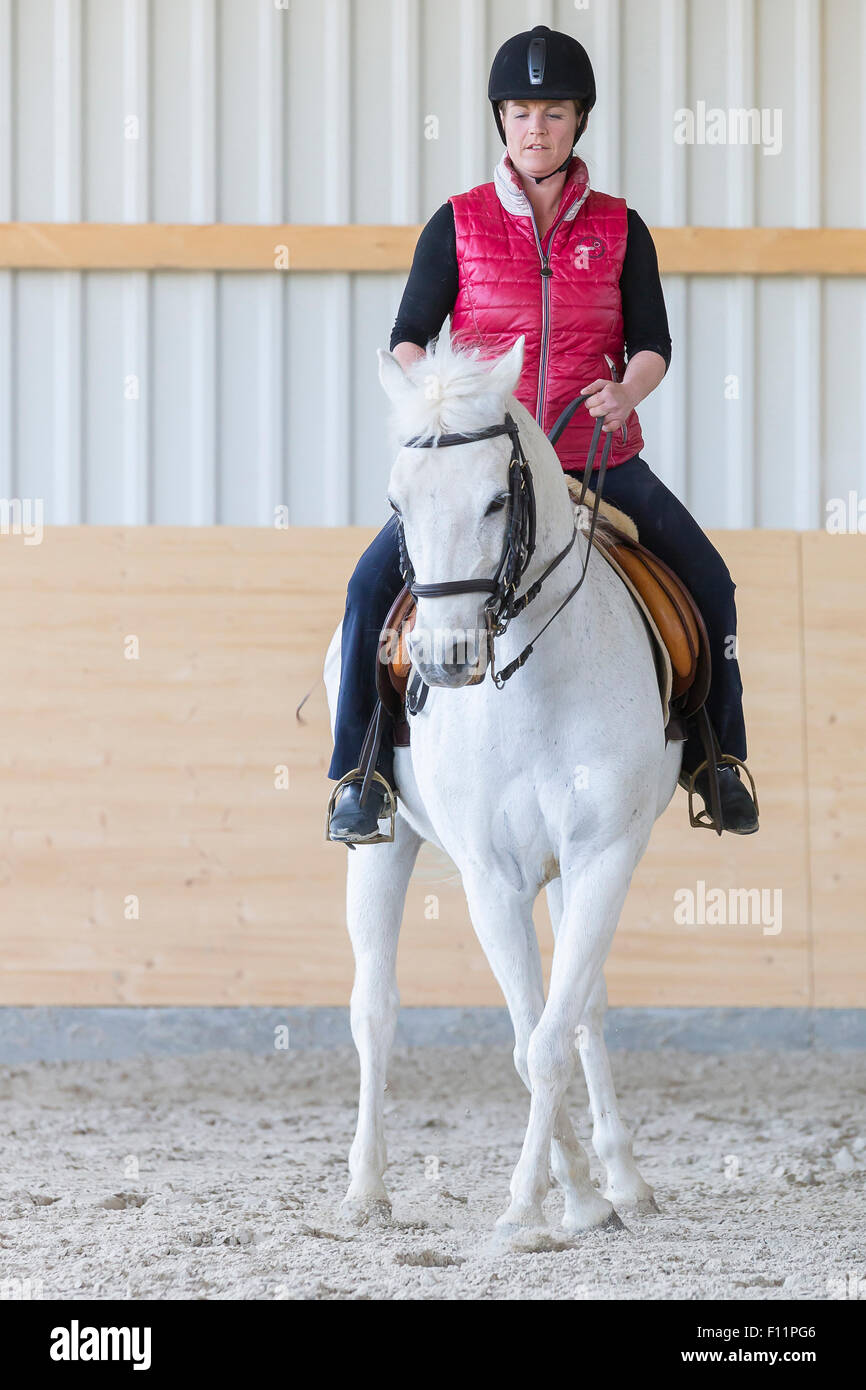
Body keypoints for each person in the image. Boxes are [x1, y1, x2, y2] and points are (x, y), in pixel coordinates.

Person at [326, 23, 758, 843]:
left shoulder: (621, 228)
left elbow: (653, 343)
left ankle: (717, 759)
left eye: (553, 113)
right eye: (521, 112)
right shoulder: (455, 224)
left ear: (579, 122)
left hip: (599, 458)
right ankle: (363, 773)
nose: (536, 128)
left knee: (712, 581)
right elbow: (408, 337)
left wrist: (627, 391)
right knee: (366, 592)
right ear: (500, 120)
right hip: (485, 470)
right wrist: (443, 397)